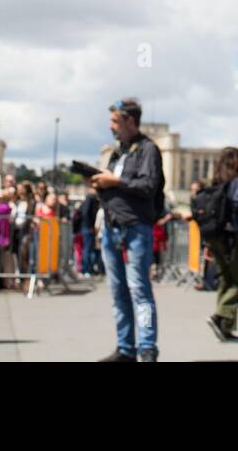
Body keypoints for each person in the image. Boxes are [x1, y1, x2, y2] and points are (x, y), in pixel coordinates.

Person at [91, 97, 164, 362]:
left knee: (139, 290)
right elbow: (114, 184)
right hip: (112, 227)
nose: (111, 126)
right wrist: (101, 183)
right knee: (118, 291)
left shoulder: (148, 149)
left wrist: (115, 180)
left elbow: (148, 186)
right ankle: (125, 348)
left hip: (135, 228)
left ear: (130, 121)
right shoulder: (118, 152)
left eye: (115, 121)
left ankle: (146, 348)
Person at [204, 147, 238, 342]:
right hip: (229, 237)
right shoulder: (235, 183)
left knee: (226, 280)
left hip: (214, 236)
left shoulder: (217, 182)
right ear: (236, 163)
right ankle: (220, 316)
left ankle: (225, 328)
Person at [76, 188, 102, 276]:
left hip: (88, 227)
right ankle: (86, 269)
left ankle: (89, 269)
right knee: (87, 249)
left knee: (90, 249)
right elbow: (85, 213)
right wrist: (90, 226)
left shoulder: (92, 198)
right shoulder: (90, 198)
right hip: (88, 228)